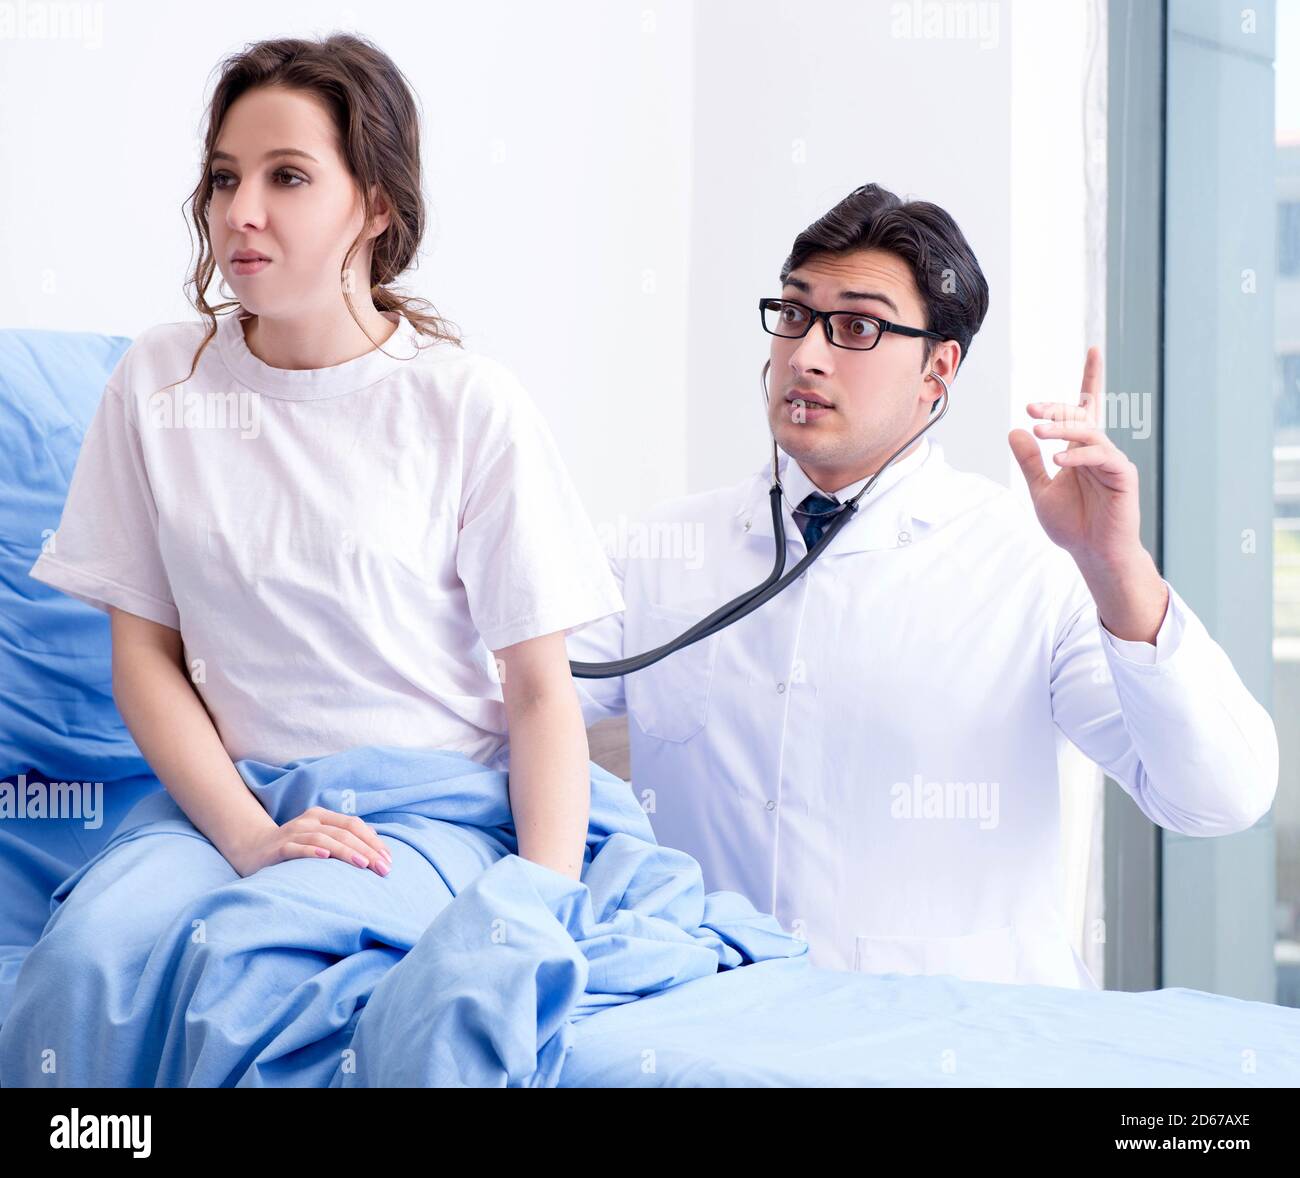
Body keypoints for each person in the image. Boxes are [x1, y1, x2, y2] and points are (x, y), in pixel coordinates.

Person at [1, 32, 625, 1085]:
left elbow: (537, 692)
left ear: (375, 204)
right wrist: (248, 836)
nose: (242, 211)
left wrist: (537, 899)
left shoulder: (465, 402)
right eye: (224, 178)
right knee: (83, 963)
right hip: (236, 801)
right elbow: (143, 657)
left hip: (434, 806)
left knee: (243, 958)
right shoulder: (160, 381)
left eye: (288, 177)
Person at [566, 182, 1279, 989]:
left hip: (966, 1049)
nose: (804, 354)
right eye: (795, 314)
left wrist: (1117, 567)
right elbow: (497, 695)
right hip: (721, 1040)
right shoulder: (661, 550)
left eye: (858, 327)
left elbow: (1219, 797)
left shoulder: (1031, 567)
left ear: (938, 369)